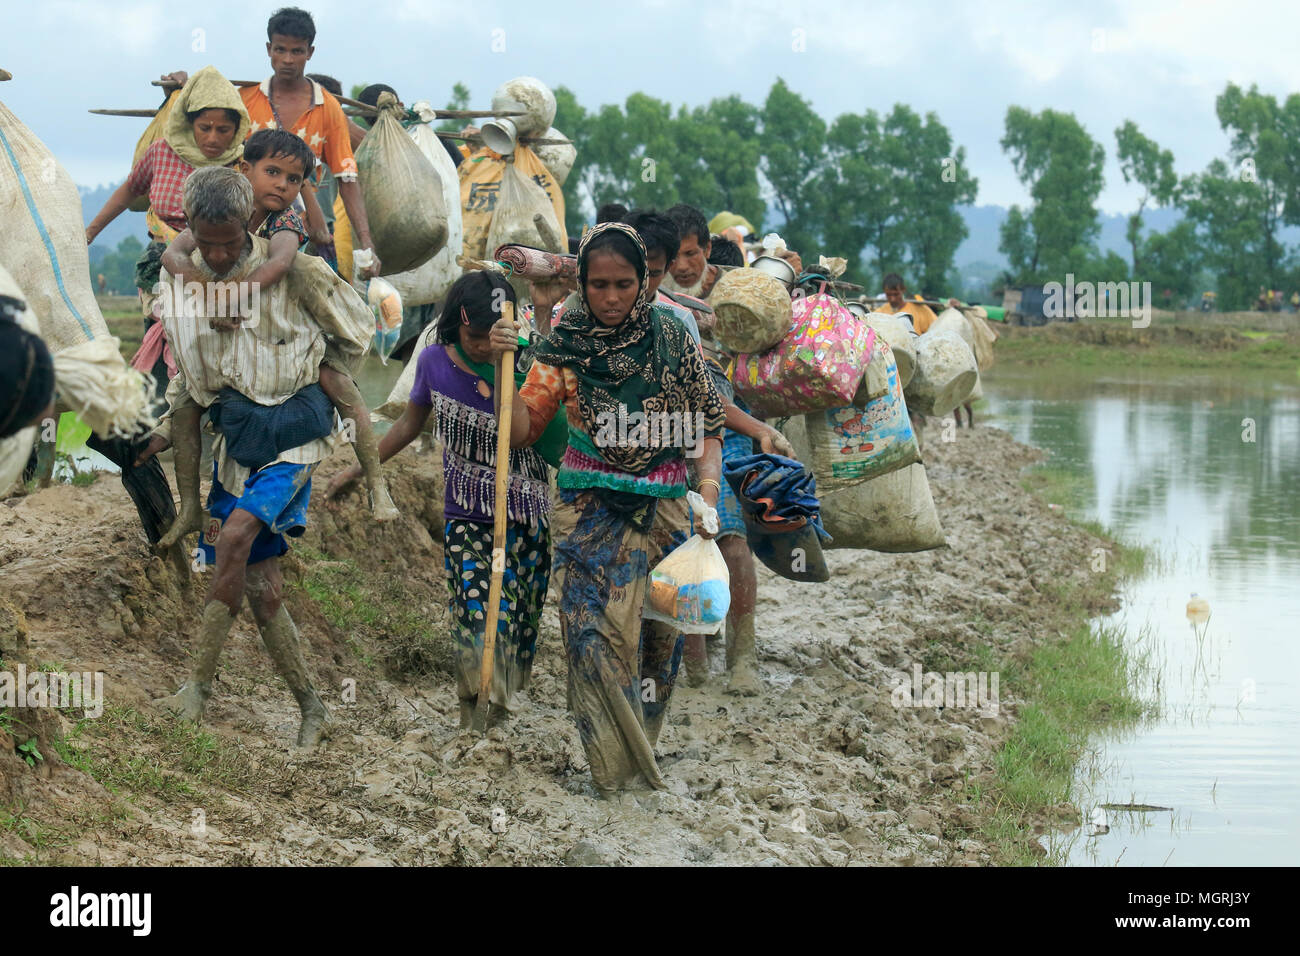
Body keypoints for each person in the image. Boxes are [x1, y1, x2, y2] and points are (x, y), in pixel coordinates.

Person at [489, 222, 727, 796]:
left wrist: (710, 495)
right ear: (584, 285)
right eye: (599, 285)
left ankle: (640, 761)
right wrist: (510, 365)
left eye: (624, 284)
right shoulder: (565, 342)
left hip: (669, 510)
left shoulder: (674, 334)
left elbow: (707, 426)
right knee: (591, 640)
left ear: (644, 281)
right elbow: (523, 431)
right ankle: (611, 773)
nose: (613, 297)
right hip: (587, 510)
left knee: (656, 647)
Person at [138, 166, 372, 747]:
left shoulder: (290, 269)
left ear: (248, 224)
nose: (218, 254)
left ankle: (197, 687)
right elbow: (187, 380)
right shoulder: (181, 286)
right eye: (206, 242)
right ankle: (313, 708)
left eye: (229, 241)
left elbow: (354, 329)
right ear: (189, 229)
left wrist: (326, 379)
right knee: (263, 590)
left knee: (235, 538)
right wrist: (164, 438)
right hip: (236, 446)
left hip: (294, 437)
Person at [325, 273, 557, 729]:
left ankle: (500, 713)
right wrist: (361, 469)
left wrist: (507, 362)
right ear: (456, 325)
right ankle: (471, 714)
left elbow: (535, 430)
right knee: (475, 614)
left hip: (525, 514)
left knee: (515, 620)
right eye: (473, 337)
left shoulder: (525, 362)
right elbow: (410, 425)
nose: (481, 347)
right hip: (467, 515)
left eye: (490, 338)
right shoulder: (432, 362)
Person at [157, 129, 398, 540]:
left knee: (337, 383)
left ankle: (376, 481)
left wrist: (232, 296)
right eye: (273, 172)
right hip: (232, 339)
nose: (282, 185)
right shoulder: (221, 209)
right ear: (245, 170)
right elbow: (172, 254)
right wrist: (207, 292)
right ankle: (189, 507)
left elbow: (282, 262)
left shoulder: (284, 221)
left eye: (294, 179)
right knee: (185, 401)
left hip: (286, 328)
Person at [659, 204, 797, 694]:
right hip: (672, 426)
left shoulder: (734, 289)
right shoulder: (652, 291)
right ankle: (693, 660)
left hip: (733, 423)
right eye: (673, 258)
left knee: (731, 539)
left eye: (691, 254)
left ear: (705, 248)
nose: (682, 267)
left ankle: (743, 656)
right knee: (685, 541)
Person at [238, 6, 380, 279]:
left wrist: (367, 243)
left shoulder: (327, 106)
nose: (288, 59)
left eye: (297, 51)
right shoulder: (245, 100)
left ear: (310, 52)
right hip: (248, 229)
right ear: (269, 49)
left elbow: (347, 178)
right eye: (280, 49)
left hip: (312, 233)